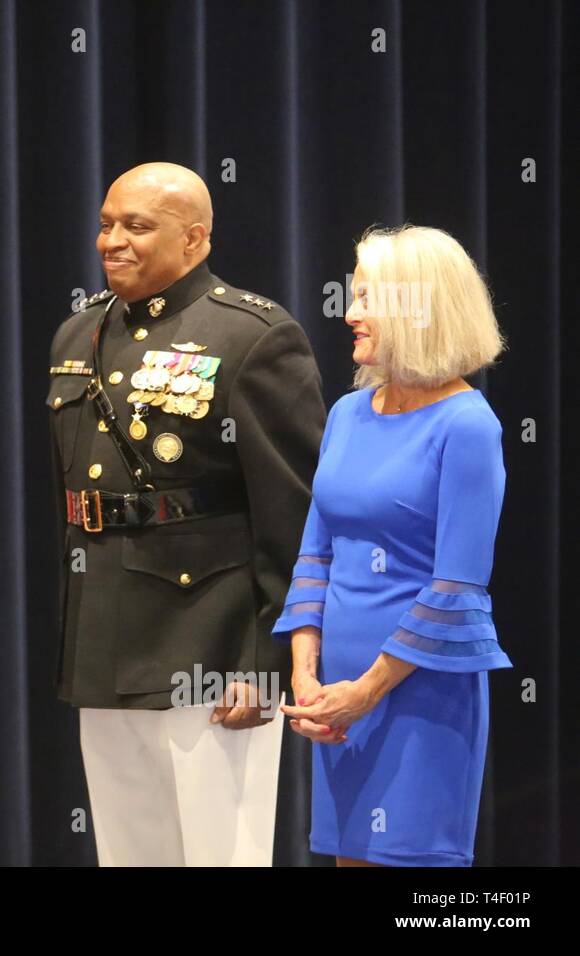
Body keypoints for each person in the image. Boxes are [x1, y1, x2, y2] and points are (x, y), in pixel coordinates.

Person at [47, 162, 325, 865]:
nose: (113, 240)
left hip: (211, 644)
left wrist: (266, 660)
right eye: (107, 224)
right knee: (128, 853)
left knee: (217, 853)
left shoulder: (252, 336)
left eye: (137, 227)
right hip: (104, 638)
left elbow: (295, 514)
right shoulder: (77, 336)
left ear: (195, 239)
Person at [277, 225, 510, 866]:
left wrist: (368, 690)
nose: (349, 312)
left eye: (368, 298)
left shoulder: (467, 425)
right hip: (335, 695)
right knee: (348, 856)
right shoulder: (348, 413)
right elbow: (315, 555)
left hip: (417, 692)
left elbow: (456, 587)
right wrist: (307, 674)